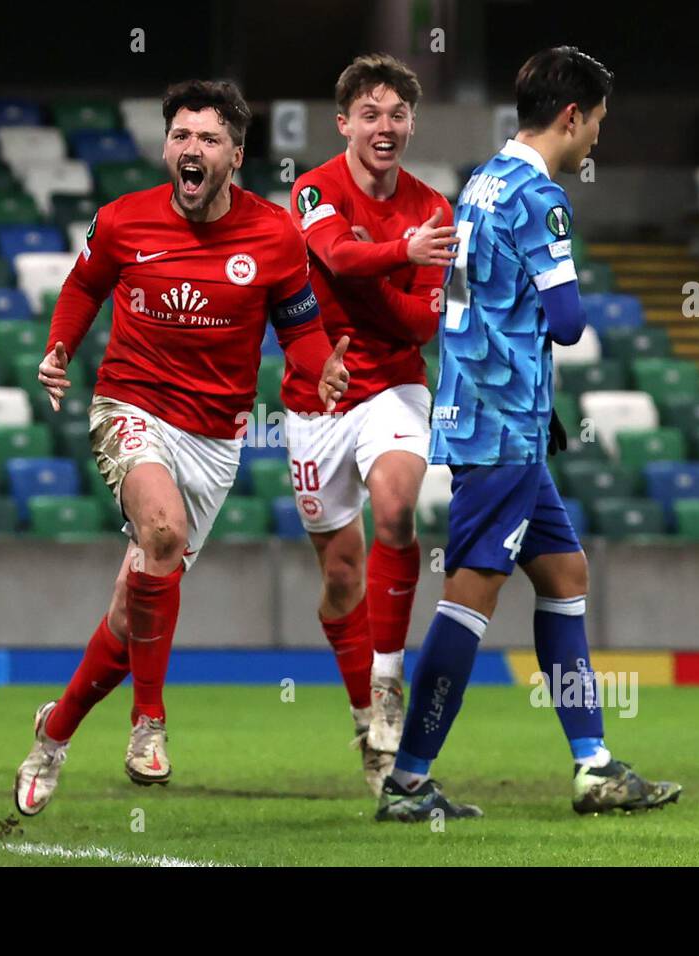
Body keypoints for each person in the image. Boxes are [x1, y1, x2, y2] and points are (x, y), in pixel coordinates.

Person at [13, 79, 350, 815]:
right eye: (180, 136)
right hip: (129, 404)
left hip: (214, 440)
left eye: (206, 139)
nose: (189, 149)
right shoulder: (124, 220)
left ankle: (56, 728)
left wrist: (319, 365)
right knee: (160, 530)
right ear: (168, 146)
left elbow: (297, 328)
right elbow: (83, 286)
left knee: (133, 611)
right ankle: (150, 723)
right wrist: (60, 349)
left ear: (235, 152)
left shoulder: (273, 235)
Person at [374, 46, 683, 822]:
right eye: (597, 125)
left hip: (491, 413)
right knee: (470, 597)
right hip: (502, 424)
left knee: (565, 574)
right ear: (571, 116)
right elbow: (571, 321)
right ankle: (408, 781)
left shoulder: (480, 180)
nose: (597, 142)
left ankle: (594, 765)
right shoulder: (540, 197)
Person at [285, 54, 455, 795]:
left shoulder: (435, 210)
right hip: (313, 397)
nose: (385, 127)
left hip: (394, 387)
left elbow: (421, 325)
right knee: (340, 575)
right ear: (344, 122)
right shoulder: (313, 187)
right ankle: (364, 714)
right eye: (371, 114)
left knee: (396, 509)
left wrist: (361, 281)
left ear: (411, 123)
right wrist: (391, 262)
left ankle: (389, 679)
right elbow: (334, 251)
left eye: (397, 115)